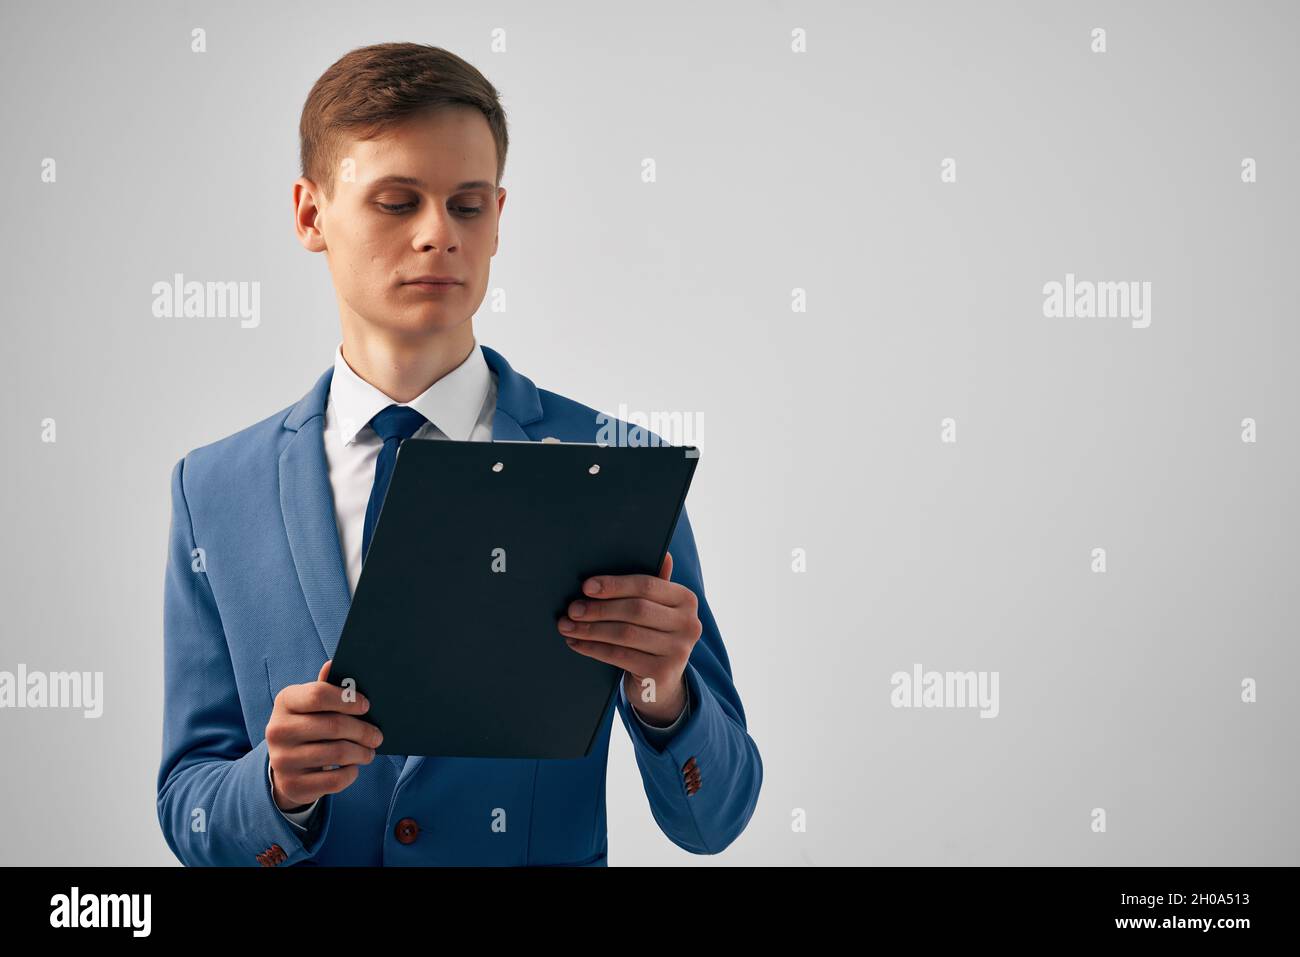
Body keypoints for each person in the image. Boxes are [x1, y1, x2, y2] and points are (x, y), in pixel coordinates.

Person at [155, 42, 762, 866]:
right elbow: (188, 802)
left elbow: (714, 818)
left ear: (499, 217)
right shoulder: (214, 489)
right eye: (397, 202)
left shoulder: (615, 466)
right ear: (309, 215)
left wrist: (664, 692)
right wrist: (277, 788)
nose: (438, 234)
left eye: (468, 205)